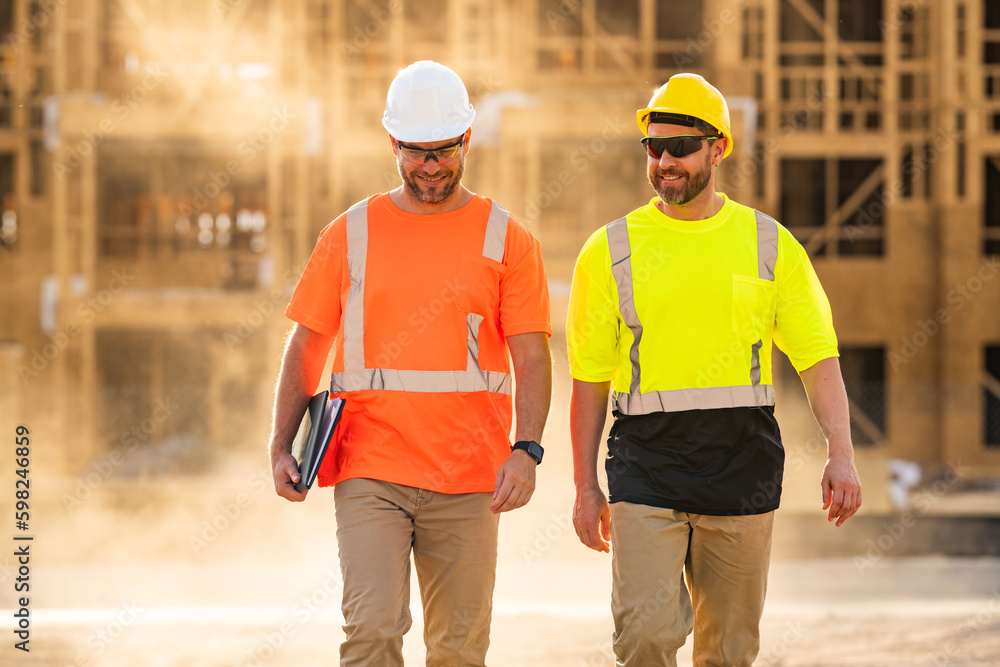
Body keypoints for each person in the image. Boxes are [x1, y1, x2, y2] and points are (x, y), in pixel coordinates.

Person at [566, 72, 863, 667]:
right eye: (655, 148)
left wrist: (842, 451)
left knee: (728, 651)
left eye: (680, 148)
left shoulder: (769, 243)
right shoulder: (610, 249)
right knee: (645, 636)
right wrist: (583, 487)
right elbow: (590, 381)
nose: (665, 162)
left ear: (718, 148)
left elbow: (816, 357)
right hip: (645, 465)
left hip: (742, 463)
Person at [267, 60, 552, 667]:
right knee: (371, 633)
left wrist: (527, 450)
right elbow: (307, 344)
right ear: (392, 143)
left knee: (459, 649)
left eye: (443, 151)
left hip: (471, 478)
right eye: (417, 152)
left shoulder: (508, 239)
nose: (430, 166)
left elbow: (532, 354)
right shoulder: (351, 232)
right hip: (370, 468)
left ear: (467, 140)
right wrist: (280, 444)